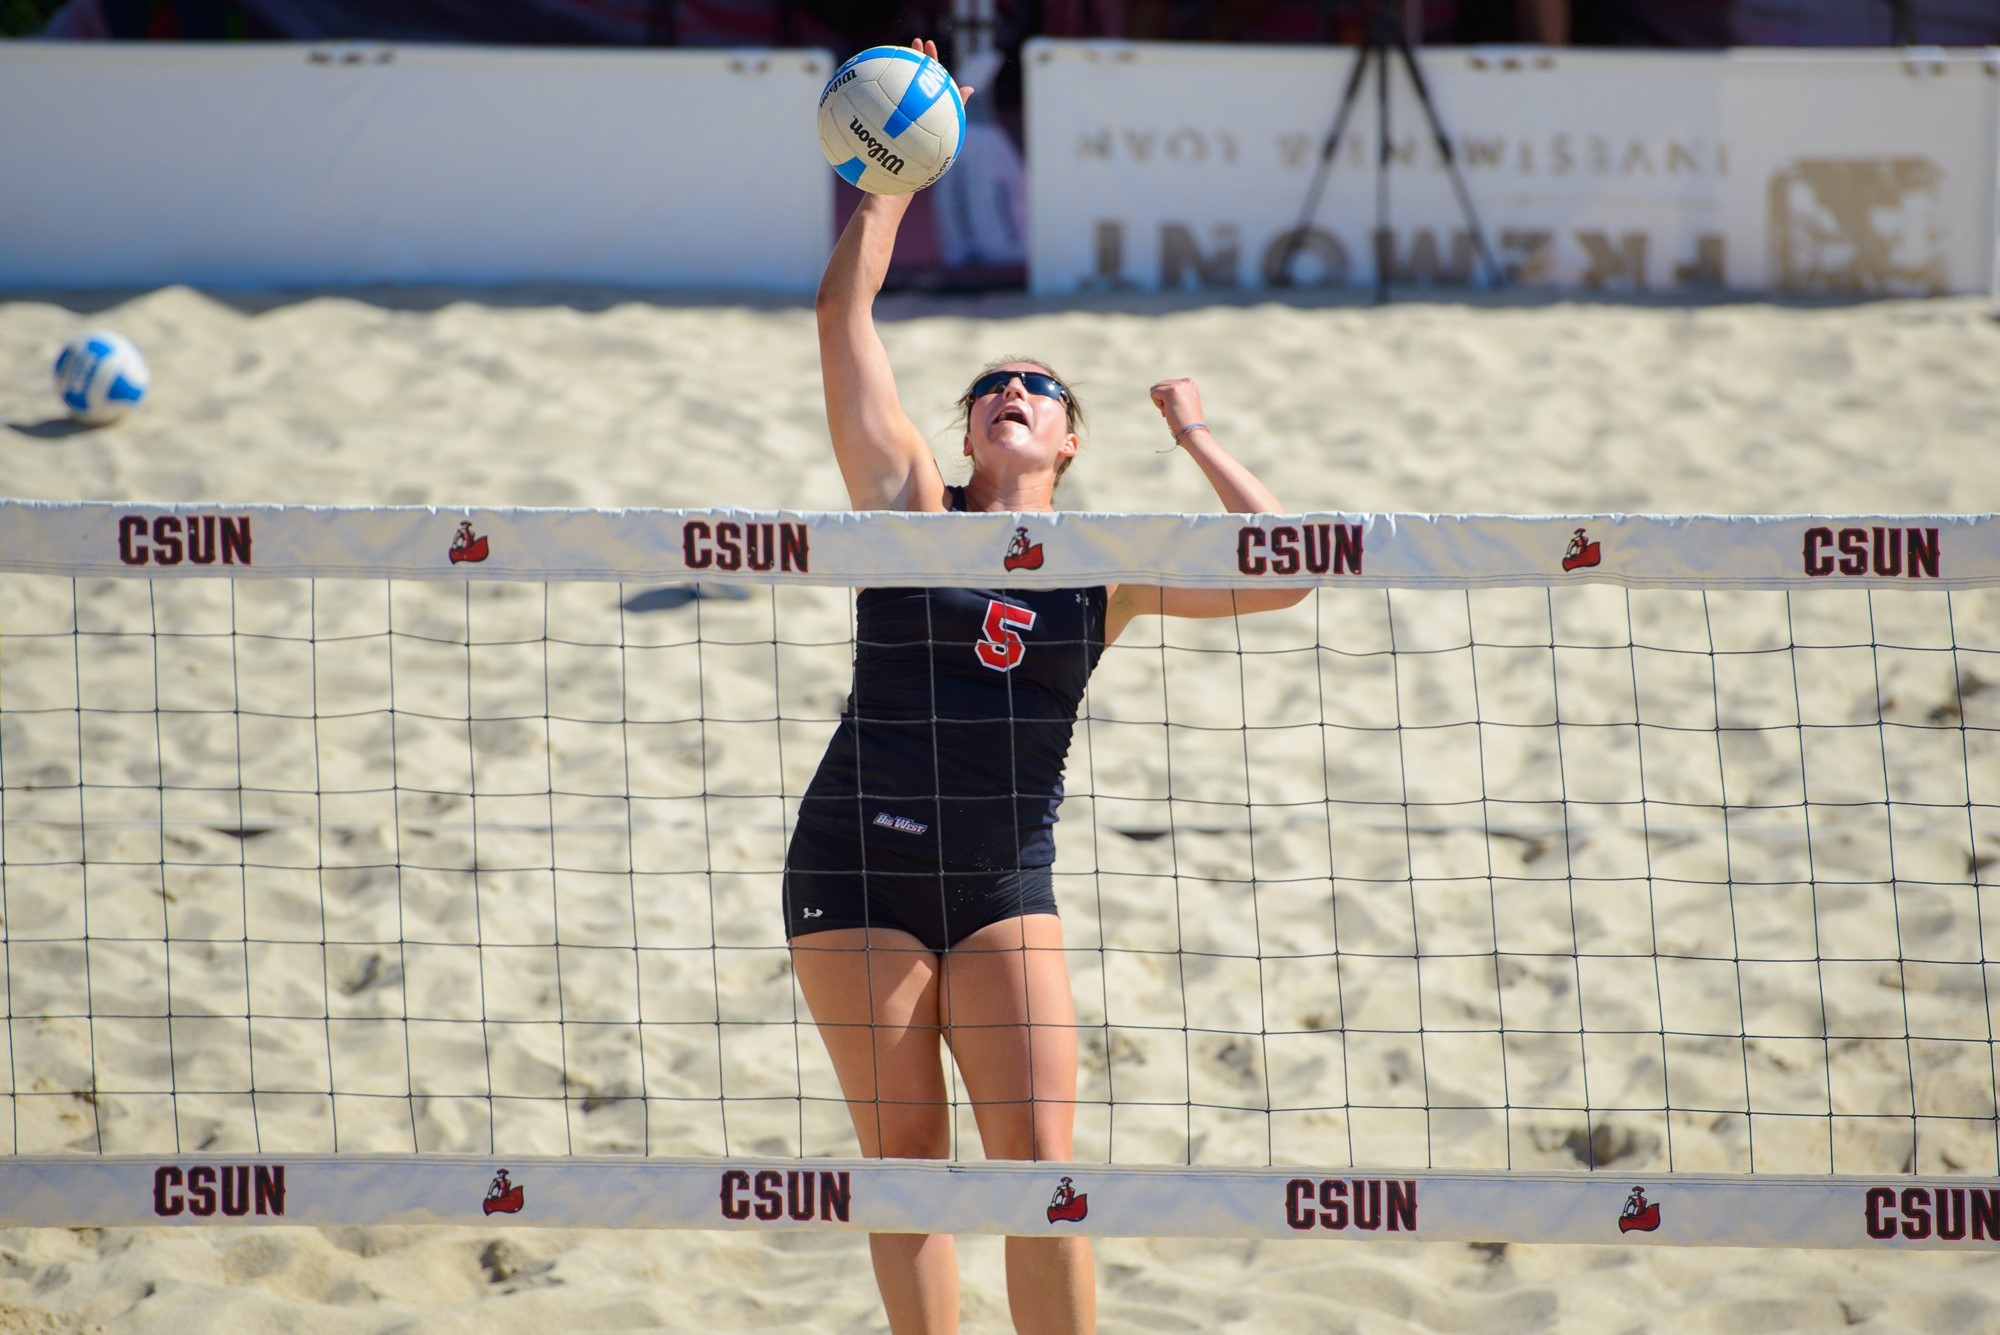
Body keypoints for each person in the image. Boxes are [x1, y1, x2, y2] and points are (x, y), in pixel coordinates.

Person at [784, 39, 1307, 1334]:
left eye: (1042, 388)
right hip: (853, 859)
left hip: (1002, 874)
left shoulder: (1104, 570)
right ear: (965, 435)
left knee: (1039, 1178)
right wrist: (894, 179)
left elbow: (1288, 570)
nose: (1014, 390)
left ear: (1070, 441)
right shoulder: (908, 509)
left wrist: (1196, 433)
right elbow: (842, 322)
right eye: (992, 388)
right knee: (904, 1162)